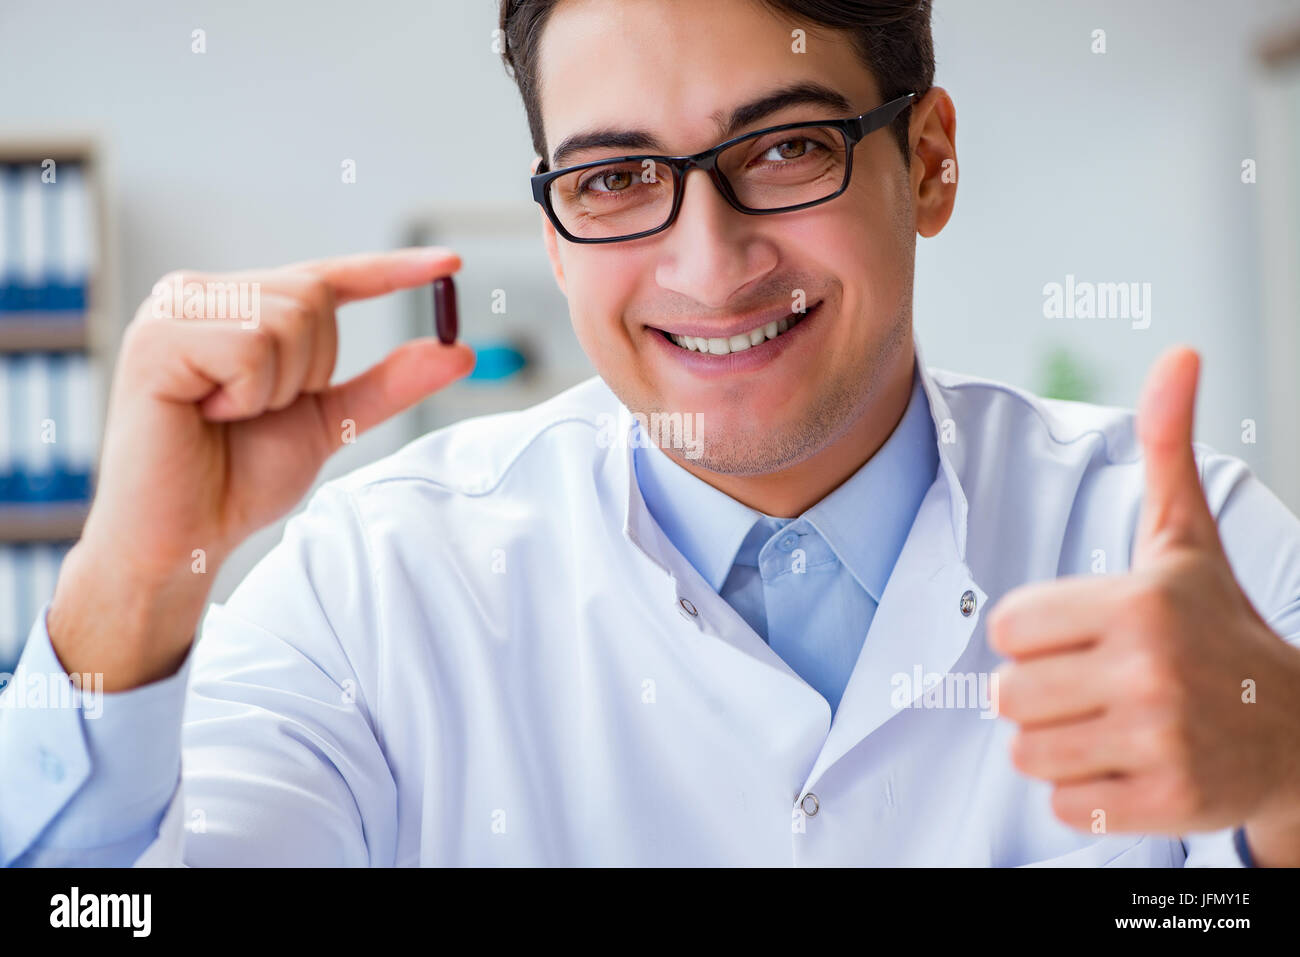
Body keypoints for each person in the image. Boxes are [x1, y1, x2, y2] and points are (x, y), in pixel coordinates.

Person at [3, 0, 1299, 867]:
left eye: (787, 148)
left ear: (934, 160)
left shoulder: (1186, 549)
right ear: (559, 236)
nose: (709, 257)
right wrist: (128, 586)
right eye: (615, 178)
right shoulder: (372, 589)